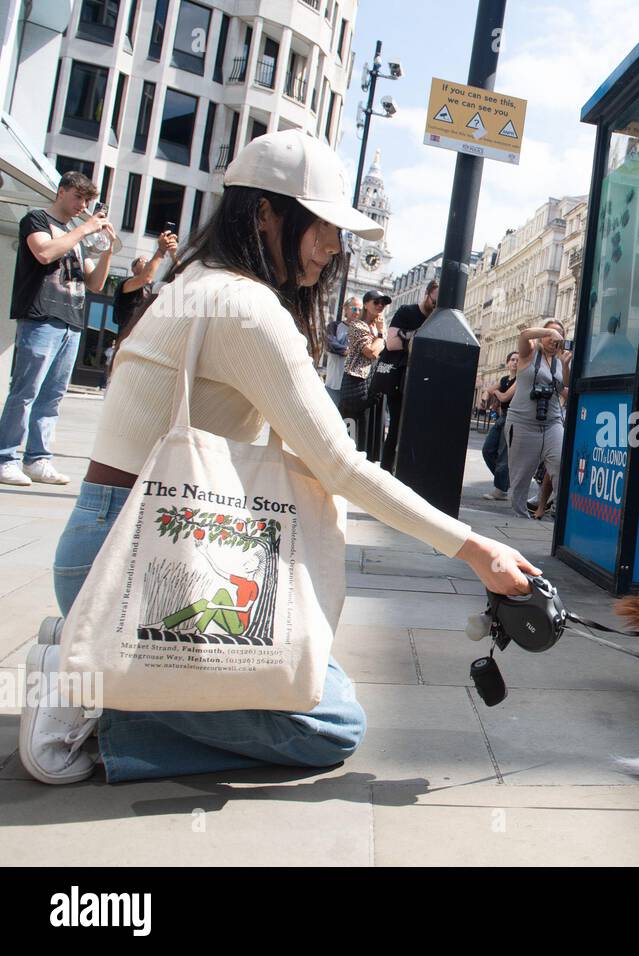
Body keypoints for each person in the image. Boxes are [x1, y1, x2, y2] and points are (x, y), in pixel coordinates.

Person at [22, 129, 537, 787]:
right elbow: (343, 466)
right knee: (330, 725)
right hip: (136, 560)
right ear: (263, 212)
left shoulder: (191, 282)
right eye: (319, 223)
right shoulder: (247, 308)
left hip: (107, 541)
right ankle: (94, 707)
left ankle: (87, 649)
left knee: (308, 673)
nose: (332, 244)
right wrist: (476, 550)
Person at [0, 171, 115, 486]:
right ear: (61, 192)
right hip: (40, 316)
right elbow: (45, 252)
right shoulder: (36, 220)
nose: (82, 206)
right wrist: (87, 229)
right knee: (26, 391)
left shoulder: (75, 235)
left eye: (87, 201)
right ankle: (5, 457)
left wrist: (107, 250)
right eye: (78, 197)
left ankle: (38, 459)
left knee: (52, 396)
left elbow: (95, 283)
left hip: (71, 322)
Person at [506, 321, 570, 518]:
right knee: (520, 476)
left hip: (552, 422)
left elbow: (564, 385)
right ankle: (520, 517)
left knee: (561, 464)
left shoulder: (560, 359)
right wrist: (550, 330)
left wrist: (565, 364)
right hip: (523, 422)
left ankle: (559, 516)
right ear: (542, 334)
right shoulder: (530, 351)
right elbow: (525, 334)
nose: (553, 338)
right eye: (550, 333)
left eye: (558, 335)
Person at [372, 278, 436, 472]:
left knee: (414, 426)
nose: (435, 306)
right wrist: (417, 338)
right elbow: (392, 344)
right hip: (398, 376)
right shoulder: (407, 312)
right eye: (434, 301)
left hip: (421, 379)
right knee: (397, 424)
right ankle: (386, 468)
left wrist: (408, 337)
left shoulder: (437, 318)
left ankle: (405, 467)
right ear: (426, 294)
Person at [338, 289, 389, 458]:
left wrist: (380, 334)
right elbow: (371, 352)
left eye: (383, 303)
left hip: (374, 385)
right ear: (366, 304)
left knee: (368, 435)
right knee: (353, 432)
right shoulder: (358, 325)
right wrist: (381, 335)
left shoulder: (377, 328)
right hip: (357, 384)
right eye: (377, 302)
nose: (381, 305)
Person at [111, 231, 179, 356]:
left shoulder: (154, 287)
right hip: (127, 342)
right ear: (133, 268)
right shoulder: (125, 284)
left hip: (146, 342)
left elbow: (182, 279)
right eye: (142, 260)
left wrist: (173, 254)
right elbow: (145, 278)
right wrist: (161, 250)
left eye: (148, 260)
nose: (147, 261)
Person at [481, 350, 517, 500]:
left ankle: (501, 490)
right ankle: (504, 481)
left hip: (513, 418)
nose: (515, 362)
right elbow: (487, 391)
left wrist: (493, 392)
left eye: (518, 360)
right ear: (508, 362)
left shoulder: (521, 379)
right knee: (487, 450)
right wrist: (485, 395)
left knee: (504, 455)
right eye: (513, 359)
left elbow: (504, 397)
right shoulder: (504, 379)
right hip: (502, 418)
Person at [322, 296, 358, 406]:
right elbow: (330, 344)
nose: (357, 312)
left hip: (353, 387)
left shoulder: (363, 330)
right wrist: (350, 351)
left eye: (360, 310)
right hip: (334, 384)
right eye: (354, 308)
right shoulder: (334, 326)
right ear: (345, 309)